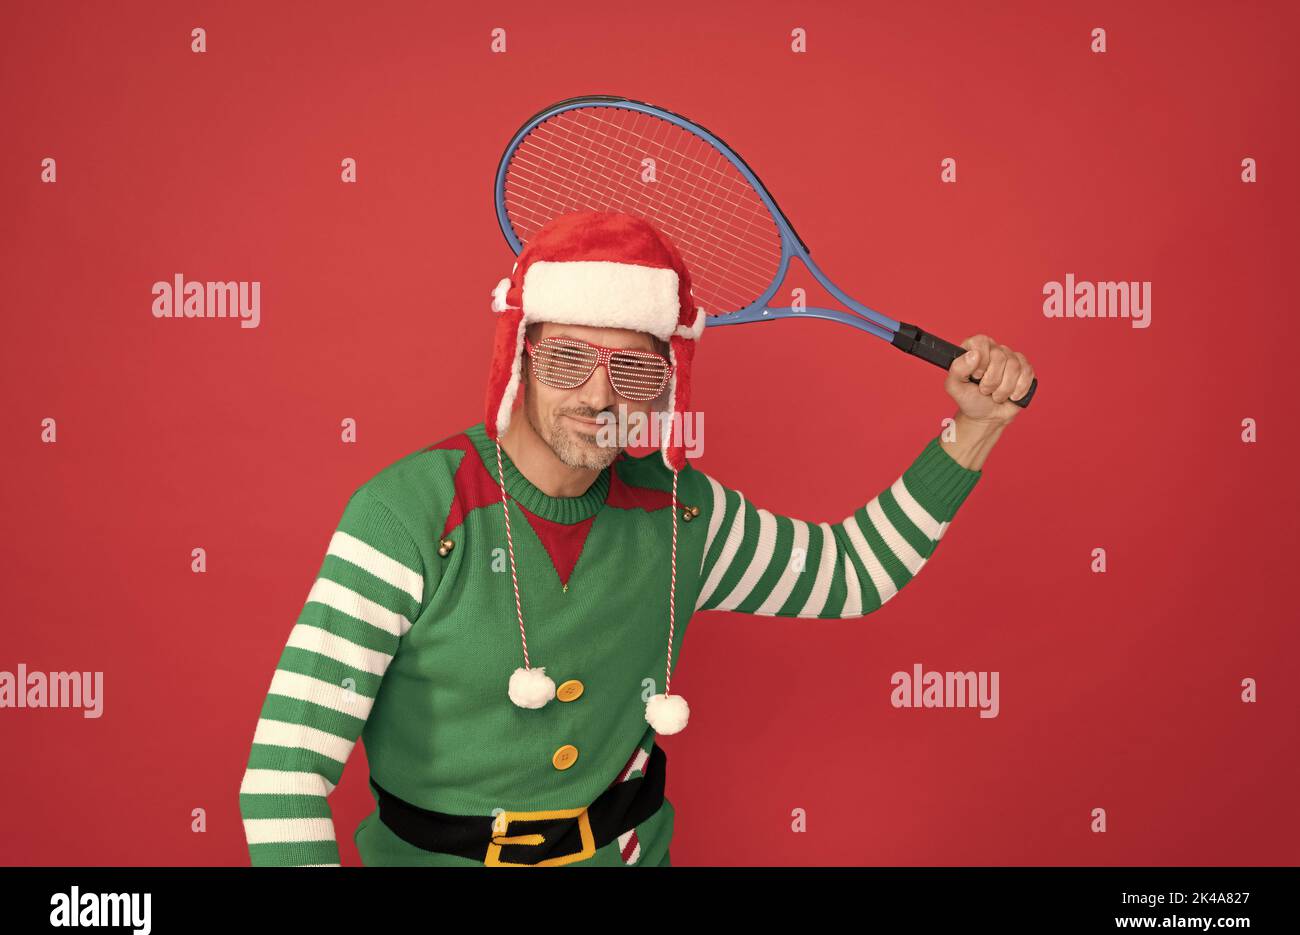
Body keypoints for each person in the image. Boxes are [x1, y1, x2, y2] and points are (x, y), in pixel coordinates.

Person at [238, 210, 1034, 866]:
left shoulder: (684, 516)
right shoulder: (405, 515)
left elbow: (853, 573)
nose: (598, 395)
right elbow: (284, 774)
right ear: (517, 357)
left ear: (668, 385)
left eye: (634, 370)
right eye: (568, 358)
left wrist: (974, 429)